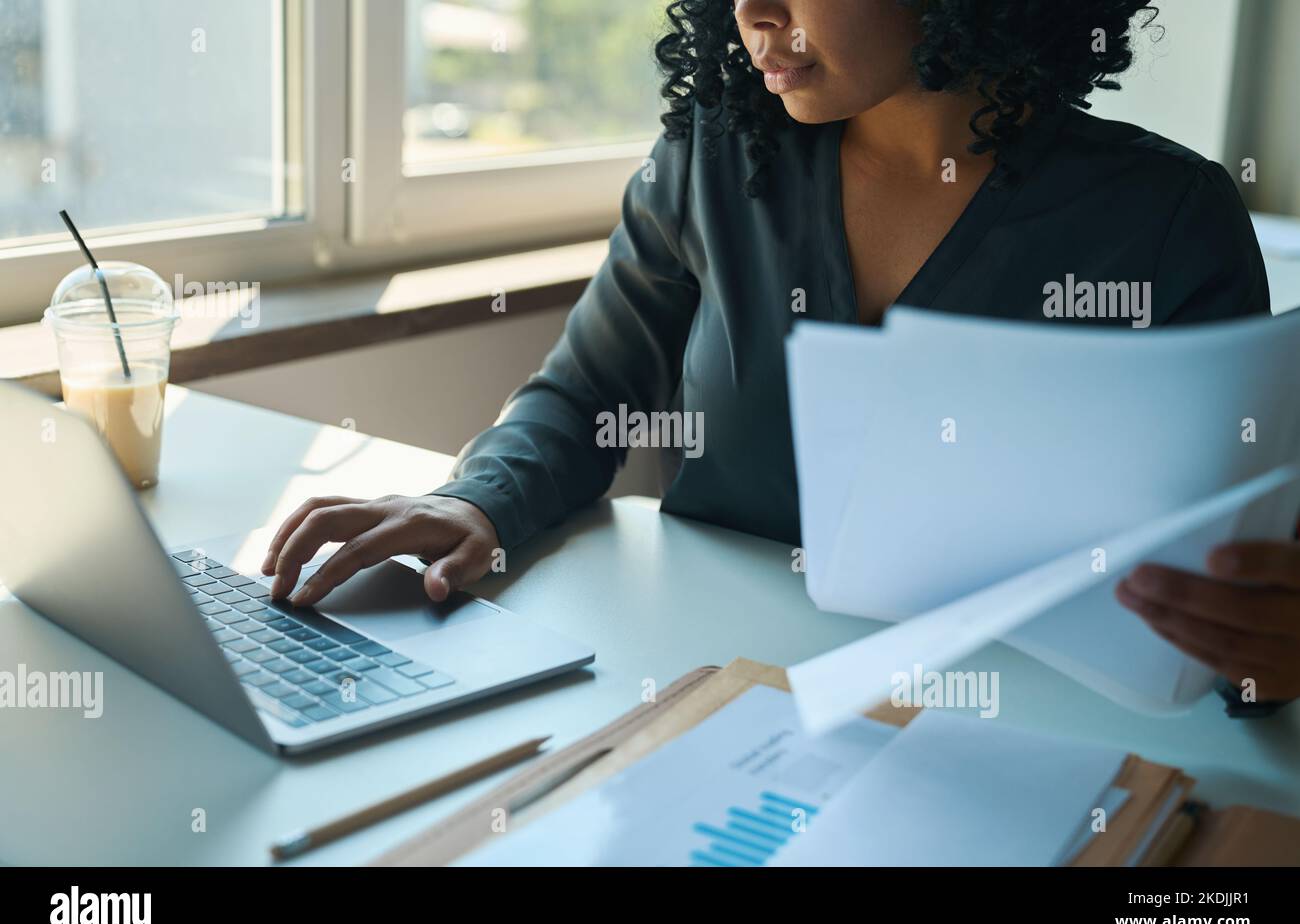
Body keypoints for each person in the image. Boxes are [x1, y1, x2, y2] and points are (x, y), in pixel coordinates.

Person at [262, 1, 1299, 703]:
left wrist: (1275, 651)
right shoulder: (716, 158)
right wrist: (476, 502)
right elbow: (589, 394)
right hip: (709, 687)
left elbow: (1244, 542)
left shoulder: (1163, 216)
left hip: (1023, 719)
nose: (753, 14)